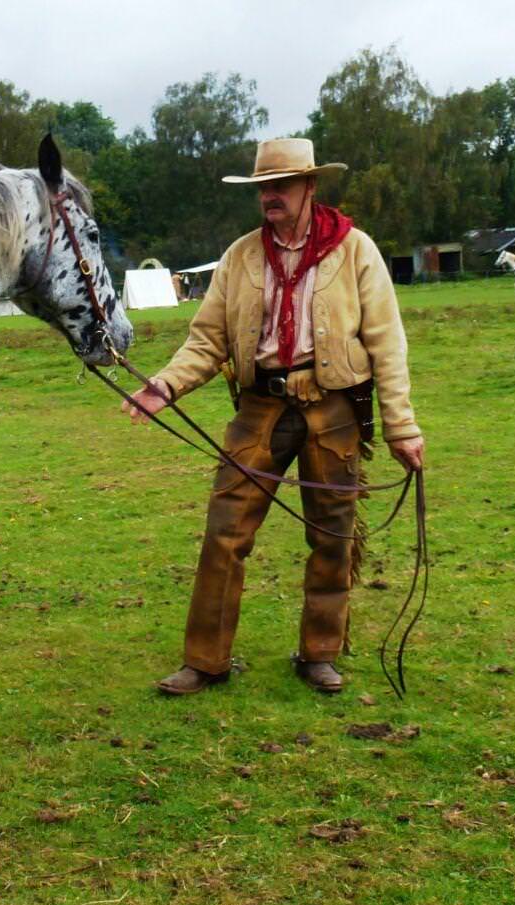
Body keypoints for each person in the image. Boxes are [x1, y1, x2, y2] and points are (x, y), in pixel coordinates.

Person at [123, 138, 425, 695]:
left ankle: (319, 653)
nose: (271, 196)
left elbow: (387, 342)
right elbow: (207, 340)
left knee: (332, 533)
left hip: (333, 406)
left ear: (310, 187)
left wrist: (402, 426)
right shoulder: (240, 257)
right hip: (259, 406)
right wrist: (164, 385)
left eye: (281, 186)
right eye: (263, 188)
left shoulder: (355, 250)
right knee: (225, 531)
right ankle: (206, 660)